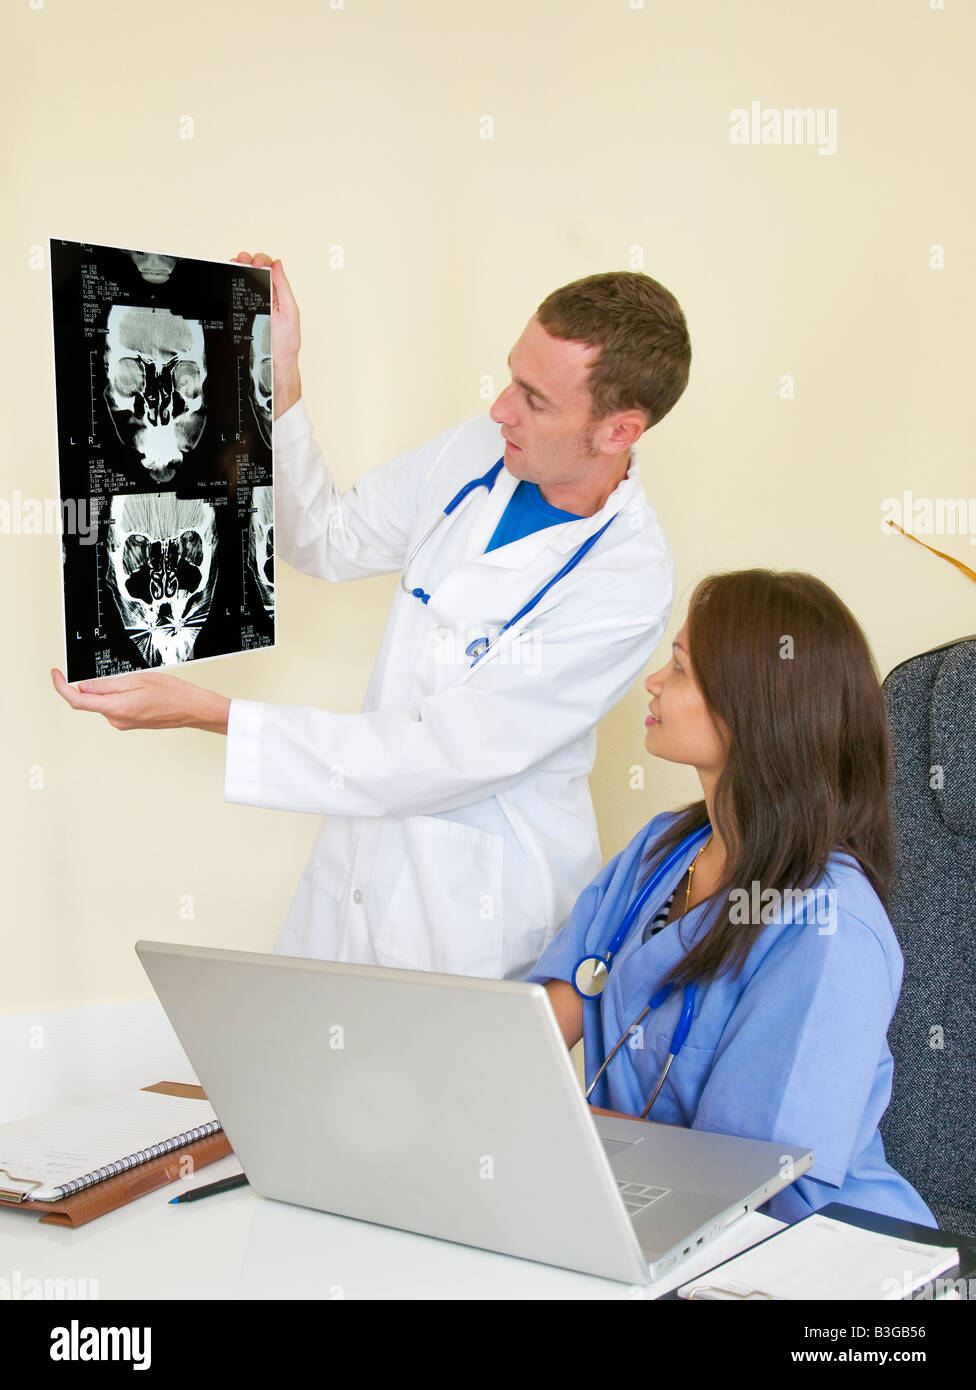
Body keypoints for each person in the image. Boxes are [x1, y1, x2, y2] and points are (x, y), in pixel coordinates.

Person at [52, 260, 691, 981]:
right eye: (511, 377)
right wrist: (282, 374)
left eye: (535, 400)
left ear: (618, 430)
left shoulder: (625, 582)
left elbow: (439, 752)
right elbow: (327, 537)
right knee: (298, 1068)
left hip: (475, 904)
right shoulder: (482, 451)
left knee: (434, 1090)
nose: (500, 409)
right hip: (357, 859)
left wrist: (214, 715)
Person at [530, 569, 937, 1226]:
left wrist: (547, 1120)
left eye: (681, 669)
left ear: (756, 705)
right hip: (641, 1207)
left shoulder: (827, 926)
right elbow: (548, 1013)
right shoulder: (663, 847)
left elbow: (751, 1176)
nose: (653, 682)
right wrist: (478, 1082)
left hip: (804, 1252)